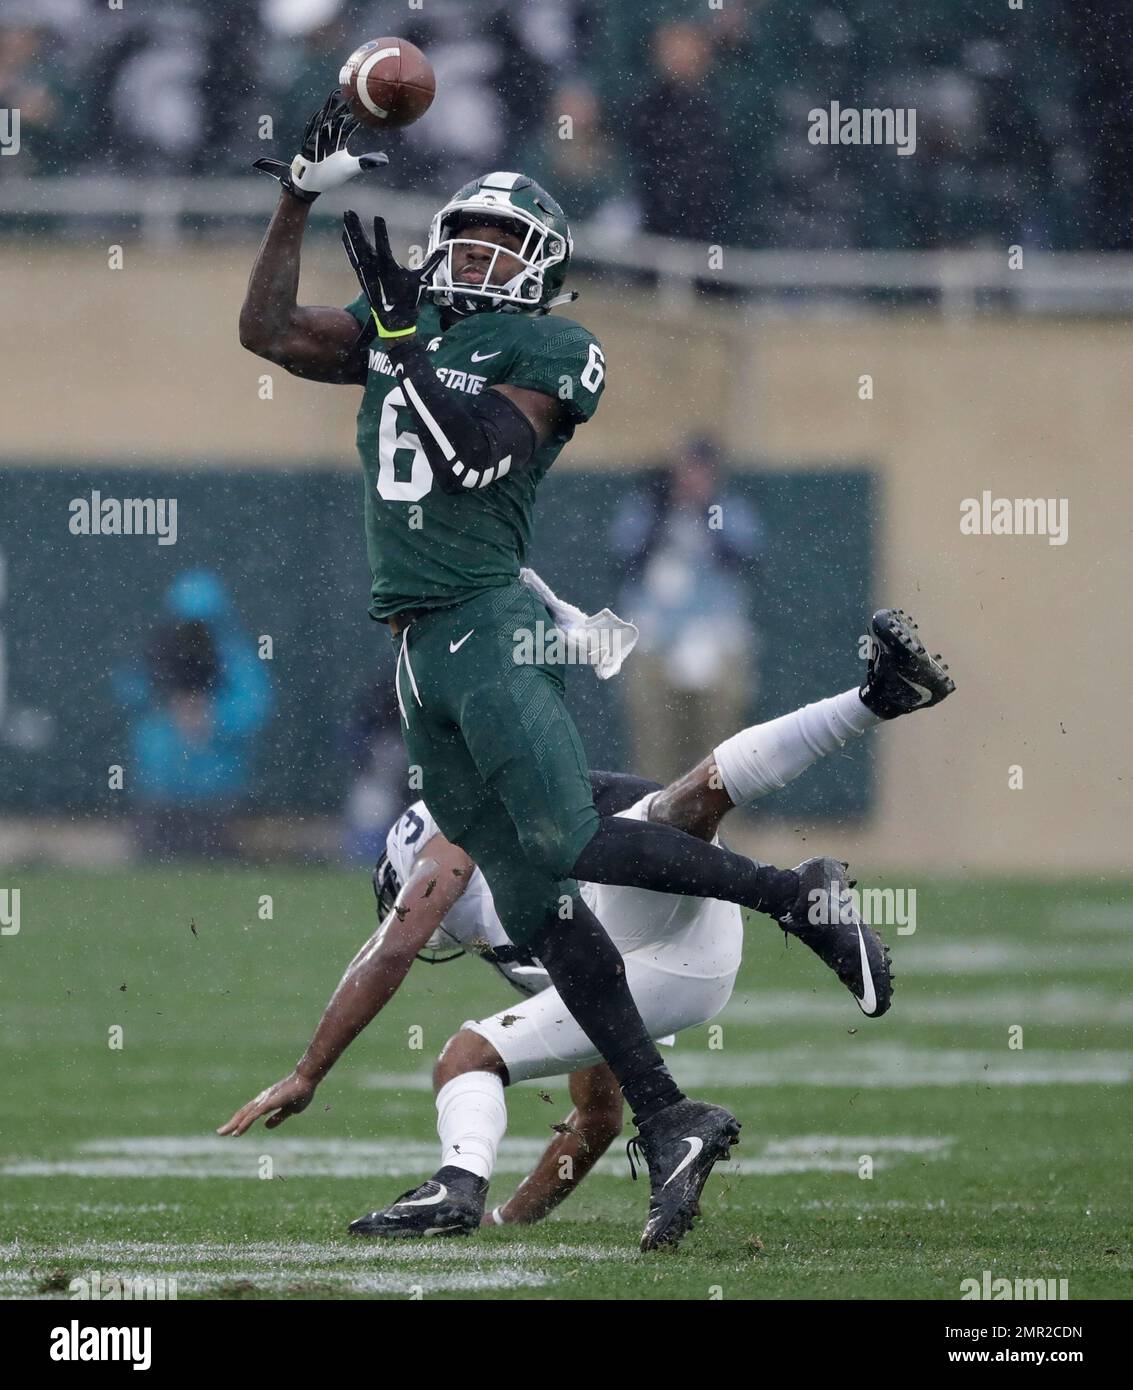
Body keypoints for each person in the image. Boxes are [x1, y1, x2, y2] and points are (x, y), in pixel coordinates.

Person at [238, 91, 907, 1250]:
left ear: (542, 269)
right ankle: (667, 1116)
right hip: (414, 647)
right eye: (471, 238)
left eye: (506, 245)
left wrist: (403, 351)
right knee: (544, 903)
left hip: (486, 622)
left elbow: (482, 449)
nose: (479, 258)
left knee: (559, 840)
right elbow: (266, 333)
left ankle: (793, 894)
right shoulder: (415, 326)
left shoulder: (556, 347)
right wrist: (295, 201)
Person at [219, 608, 955, 1244]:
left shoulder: (448, 833)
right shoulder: (538, 914)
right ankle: (846, 770)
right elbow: (597, 1115)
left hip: (673, 947)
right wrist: (514, 1223)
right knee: (678, 805)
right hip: (673, 962)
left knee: (463, 1054)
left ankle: (457, 1183)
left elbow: (397, 946)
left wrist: (308, 1073)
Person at [611, 436, 764, 785]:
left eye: (702, 470)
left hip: (715, 640)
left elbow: (740, 558)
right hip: (656, 641)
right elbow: (626, 559)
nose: (693, 478)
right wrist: (663, 509)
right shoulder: (648, 506)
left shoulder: (727, 508)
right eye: (688, 469)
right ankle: (654, 830)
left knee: (720, 753)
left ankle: (714, 832)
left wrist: (704, 509)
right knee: (654, 747)